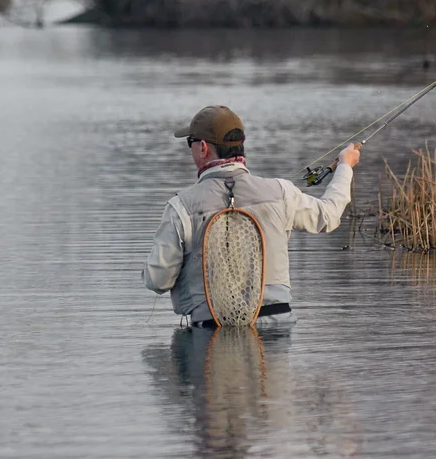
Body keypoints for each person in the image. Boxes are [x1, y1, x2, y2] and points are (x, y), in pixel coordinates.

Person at [143, 104, 361, 328]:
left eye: (190, 142)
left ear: (202, 148)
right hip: (278, 326)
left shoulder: (180, 207)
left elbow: (158, 281)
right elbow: (330, 215)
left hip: (211, 330)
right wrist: (345, 166)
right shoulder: (282, 191)